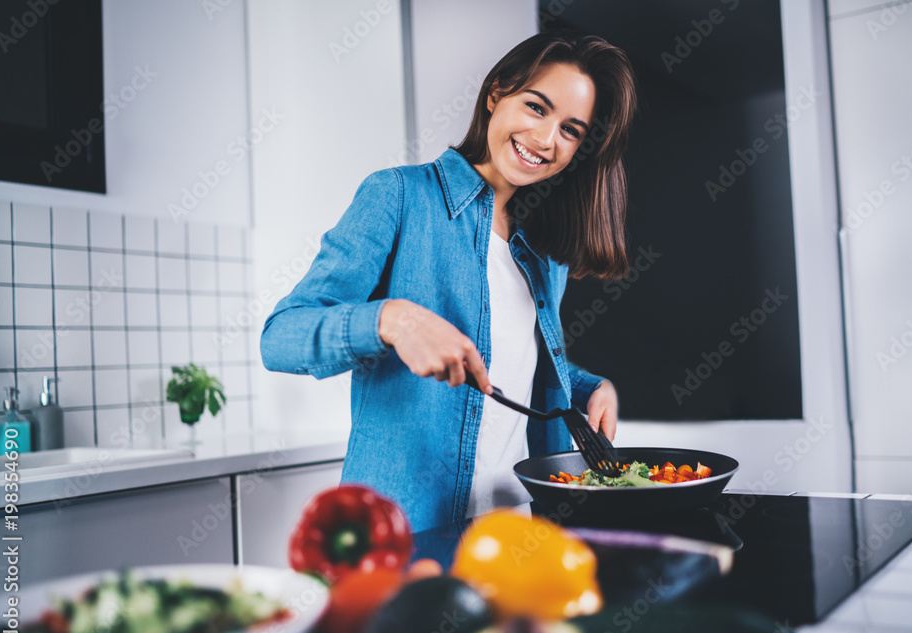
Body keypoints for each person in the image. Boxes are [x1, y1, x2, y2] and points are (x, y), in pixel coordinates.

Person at [261, 31, 637, 531]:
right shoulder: (398, 197)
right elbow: (280, 337)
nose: (546, 139)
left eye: (570, 130)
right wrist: (392, 319)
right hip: (404, 536)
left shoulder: (545, 256)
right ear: (495, 93)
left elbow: (516, 360)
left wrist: (589, 387)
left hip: (517, 530)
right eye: (536, 107)